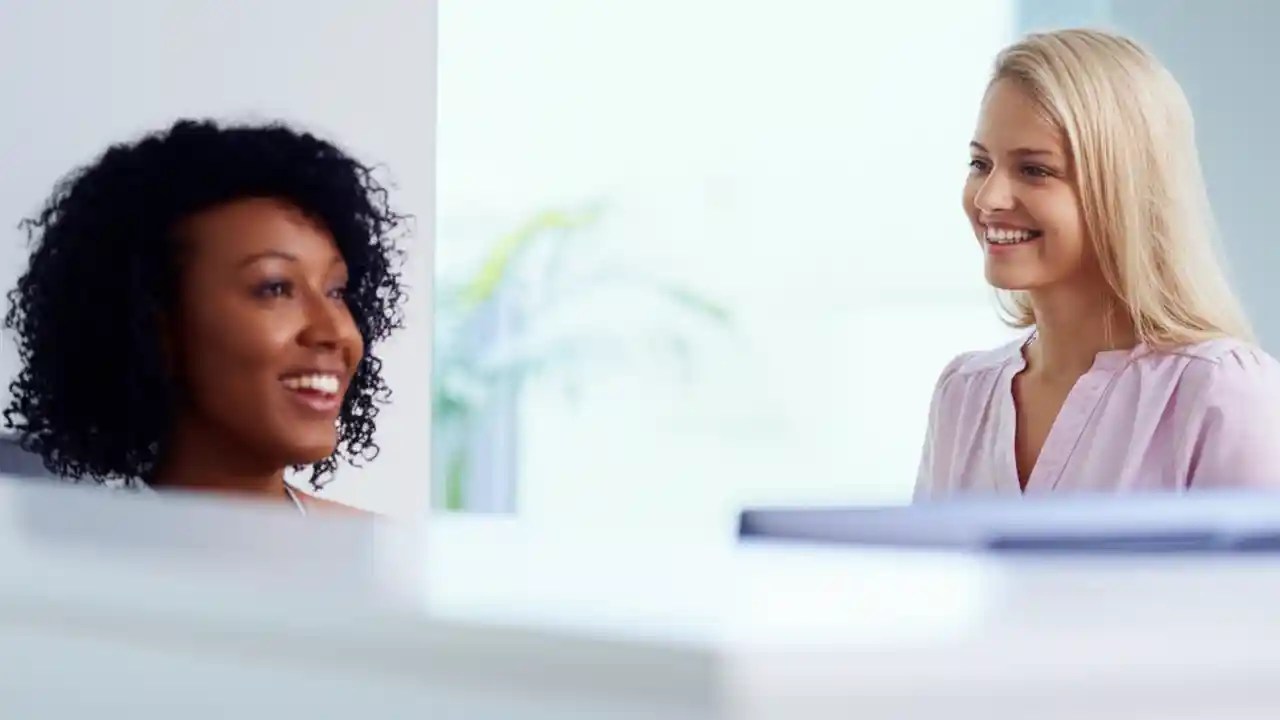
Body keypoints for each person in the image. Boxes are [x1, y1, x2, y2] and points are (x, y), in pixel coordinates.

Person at [915, 28, 1280, 499]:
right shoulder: (964, 396)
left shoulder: (1221, 392)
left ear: (1121, 188)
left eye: (1034, 170)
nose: (989, 198)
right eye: (980, 164)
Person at [4, 119, 408, 514]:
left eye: (336, 291)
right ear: (153, 323)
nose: (334, 330)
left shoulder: (379, 557)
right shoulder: (66, 568)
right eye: (275, 288)